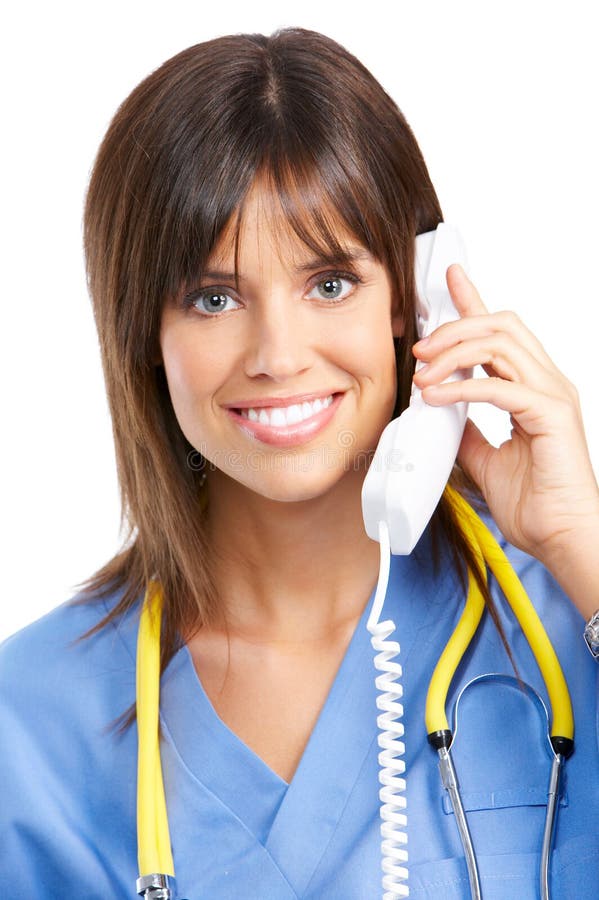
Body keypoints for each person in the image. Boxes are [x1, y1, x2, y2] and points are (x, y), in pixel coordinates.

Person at [1, 25, 598, 900]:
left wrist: (582, 543)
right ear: (145, 337)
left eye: (329, 283)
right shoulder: (32, 722)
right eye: (213, 298)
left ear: (414, 296)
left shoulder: (571, 623)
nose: (278, 354)